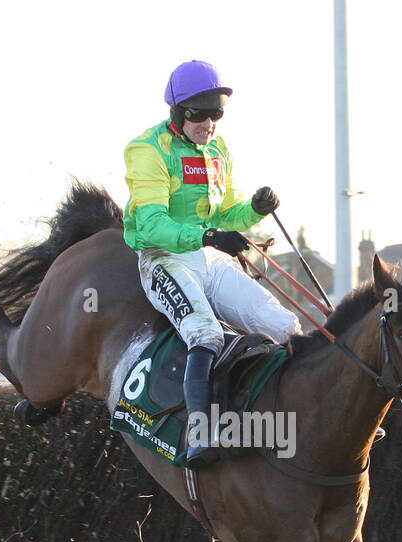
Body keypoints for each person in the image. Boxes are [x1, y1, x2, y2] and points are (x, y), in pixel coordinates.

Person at [124, 59, 301, 468]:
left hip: (209, 258)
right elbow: (151, 225)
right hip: (164, 258)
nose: (209, 123)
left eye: (216, 114)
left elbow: (226, 217)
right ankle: (199, 434)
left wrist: (254, 211)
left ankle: (309, 413)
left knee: (285, 327)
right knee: (205, 334)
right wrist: (206, 236)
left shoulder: (218, 150)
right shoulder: (147, 150)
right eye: (199, 114)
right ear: (178, 112)